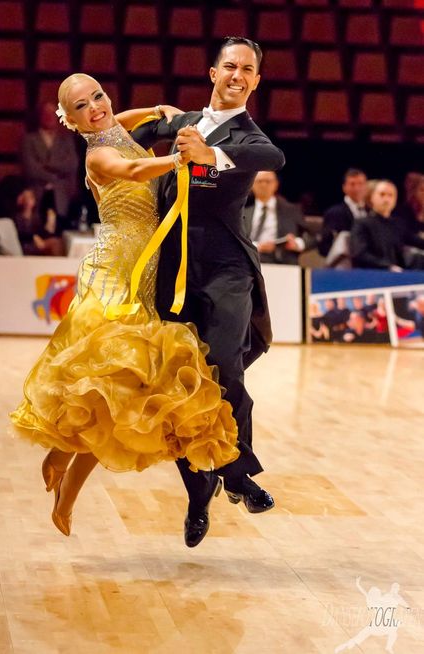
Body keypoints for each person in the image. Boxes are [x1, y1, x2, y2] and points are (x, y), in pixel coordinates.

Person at [10, 74, 241, 539]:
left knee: (123, 398)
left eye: (97, 96)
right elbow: (135, 171)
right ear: (70, 122)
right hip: (116, 274)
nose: (96, 107)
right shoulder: (98, 154)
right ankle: (61, 459)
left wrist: (166, 113)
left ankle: (65, 483)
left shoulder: (116, 125)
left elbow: (148, 115)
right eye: (81, 106)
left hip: (147, 270)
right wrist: (180, 158)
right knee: (109, 386)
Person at [132, 37, 285, 547]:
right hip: (173, 270)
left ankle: (237, 473)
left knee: (223, 362)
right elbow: (121, 133)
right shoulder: (182, 122)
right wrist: (156, 112)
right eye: (229, 66)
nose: (237, 74)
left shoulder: (248, 135)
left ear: (256, 81)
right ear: (212, 73)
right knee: (179, 388)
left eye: (247, 69)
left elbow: (273, 156)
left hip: (226, 270)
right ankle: (200, 497)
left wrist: (209, 153)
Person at [21, 101, 79, 219]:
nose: (49, 117)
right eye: (46, 113)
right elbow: (31, 169)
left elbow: (72, 164)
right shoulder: (29, 140)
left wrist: (46, 165)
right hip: (36, 196)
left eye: (53, 113)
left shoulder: (66, 140)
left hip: (62, 197)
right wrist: (56, 176)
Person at [244, 170, 314, 265]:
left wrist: (297, 244)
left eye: (268, 181)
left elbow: (312, 236)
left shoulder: (291, 210)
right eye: (259, 181)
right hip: (250, 262)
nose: (263, 185)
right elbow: (236, 240)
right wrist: (257, 246)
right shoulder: (243, 212)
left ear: (276, 184)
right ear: (252, 185)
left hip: (283, 263)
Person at [350, 180, 407, 271]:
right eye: (382, 194)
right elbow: (359, 253)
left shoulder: (397, 225)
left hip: (398, 274)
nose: (386, 199)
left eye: (391, 195)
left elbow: (415, 240)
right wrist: (387, 266)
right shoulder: (362, 223)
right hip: (372, 274)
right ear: (371, 197)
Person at [318, 168, 368, 259]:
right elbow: (324, 246)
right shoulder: (334, 213)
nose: (357, 188)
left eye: (361, 184)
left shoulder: (371, 212)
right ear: (344, 187)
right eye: (352, 184)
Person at [13, 188, 64, 256]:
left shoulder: (36, 216)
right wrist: (33, 237)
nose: (28, 200)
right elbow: (18, 234)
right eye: (26, 197)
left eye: (31, 197)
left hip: (39, 242)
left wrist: (48, 231)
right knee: (51, 245)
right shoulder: (16, 217)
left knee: (57, 242)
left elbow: (41, 232)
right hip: (25, 245)